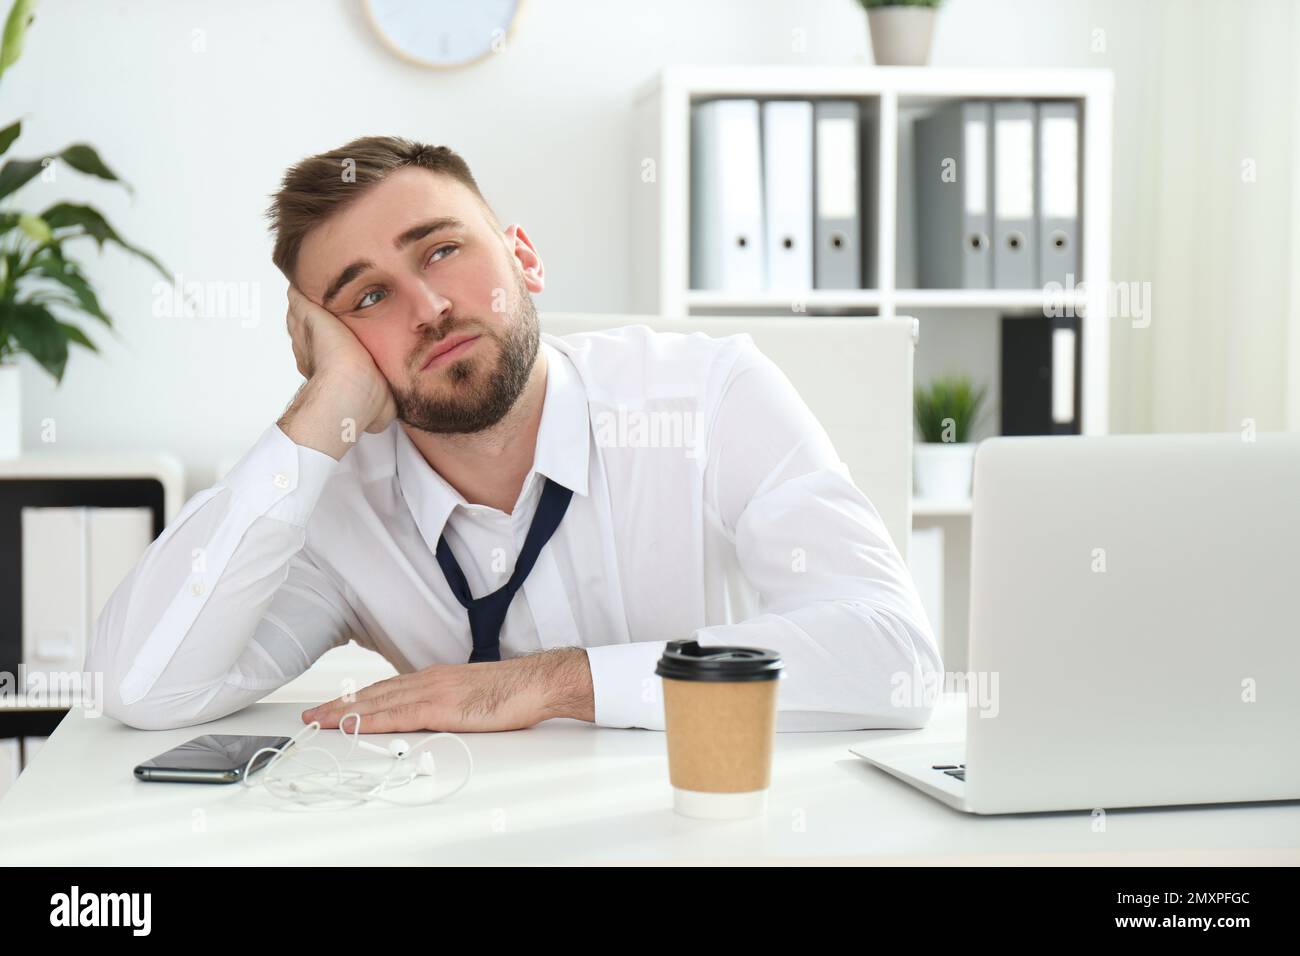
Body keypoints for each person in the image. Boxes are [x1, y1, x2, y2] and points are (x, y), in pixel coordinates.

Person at [85, 136, 941, 734]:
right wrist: (325, 406)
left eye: (441, 251)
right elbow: (143, 685)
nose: (428, 309)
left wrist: (548, 686)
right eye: (367, 299)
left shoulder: (706, 394)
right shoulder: (335, 507)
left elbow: (891, 654)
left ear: (522, 258)